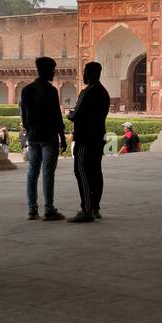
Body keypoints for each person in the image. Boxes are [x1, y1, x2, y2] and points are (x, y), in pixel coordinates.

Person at [20, 56, 68, 221]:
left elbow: (24, 118)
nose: (54, 73)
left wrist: (30, 131)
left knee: (32, 173)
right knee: (48, 173)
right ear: (45, 70)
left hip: (33, 137)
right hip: (49, 137)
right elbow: (56, 116)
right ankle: (49, 209)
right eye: (52, 70)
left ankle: (32, 210)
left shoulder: (26, 90)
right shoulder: (51, 90)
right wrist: (62, 136)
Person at [67, 60, 110, 223]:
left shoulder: (88, 92)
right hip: (98, 137)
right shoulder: (103, 92)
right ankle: (95, 207)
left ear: (90, 74)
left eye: (85, 72)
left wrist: (69, 115)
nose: (83, 75)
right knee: (95, 172)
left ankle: (86, 209)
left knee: (82, 171)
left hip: (85, 138)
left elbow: (76, 115)